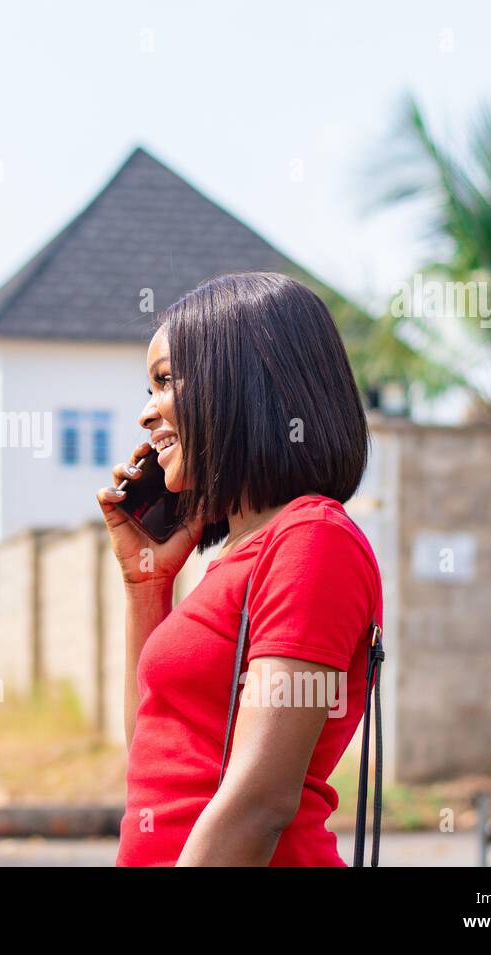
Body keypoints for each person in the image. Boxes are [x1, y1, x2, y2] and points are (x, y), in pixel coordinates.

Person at [98, 271, 382, 867]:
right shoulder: (235, 559)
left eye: (165, 382)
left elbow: (261, 802)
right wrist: (146, 584)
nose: (147, 415)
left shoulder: (312, 540)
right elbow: (155, 755)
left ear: (244, 382)